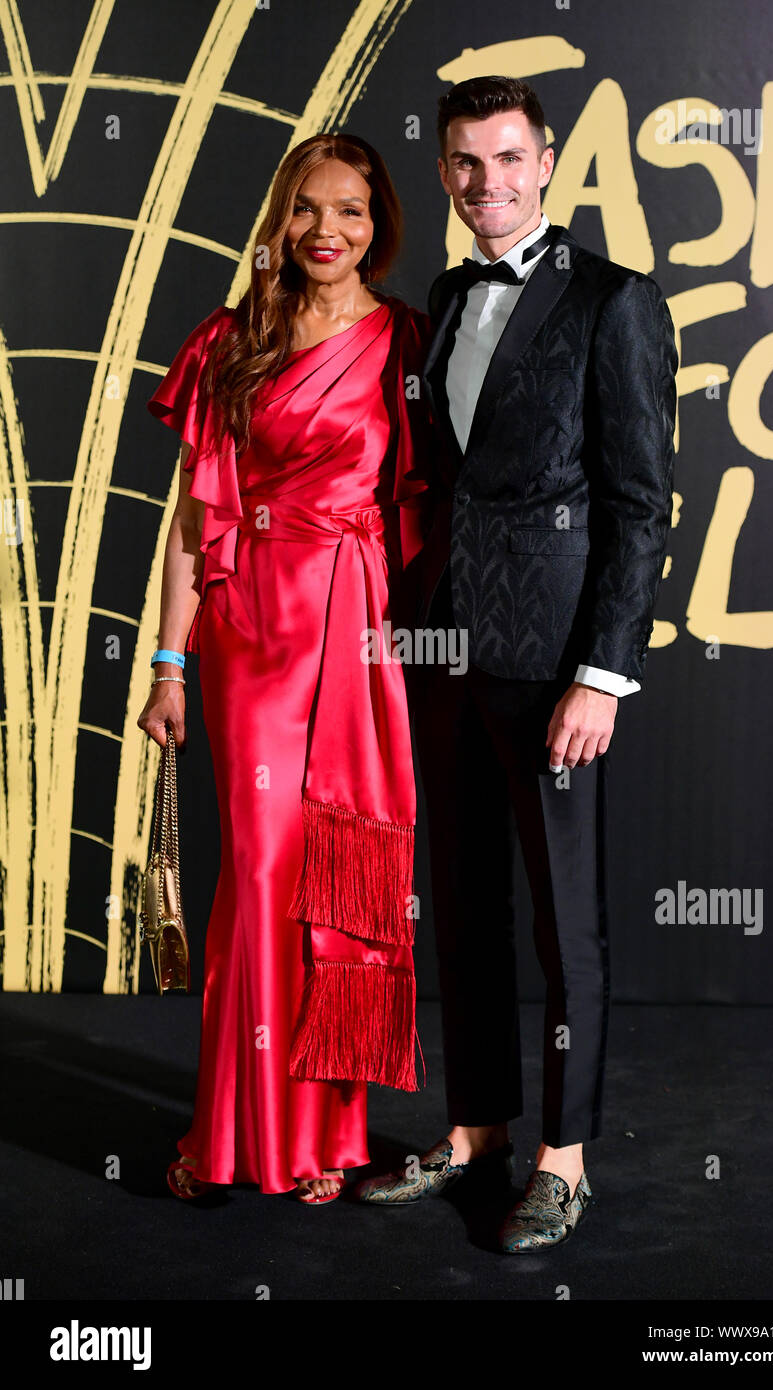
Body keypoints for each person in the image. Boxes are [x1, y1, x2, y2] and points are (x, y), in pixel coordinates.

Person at [355, 76, 678, 1251]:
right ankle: (478, 1129)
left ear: (545, 162)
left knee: (563, 921)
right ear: (443, 172)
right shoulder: (443, 294)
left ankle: (561, 1156)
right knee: (469, 910)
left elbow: (640, 505)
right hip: (446, 644)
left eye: (506, 158)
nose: (485, 182)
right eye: (462, 162)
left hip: (555, 665)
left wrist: (600, 674)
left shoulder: (612, 301)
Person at [138, 133, 432, 1205]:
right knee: (261, 879)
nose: (327, 232)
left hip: (358, 630)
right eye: (307, 209)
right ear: (280, 218)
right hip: (252, 629)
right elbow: (190, 519)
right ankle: (233, 1134)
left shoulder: (405, 340)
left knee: (347, 886)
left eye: (349, 210)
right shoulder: (230, 339)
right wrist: (167, 663)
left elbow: (437, 499)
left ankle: (325, 1138)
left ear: (377, 222)